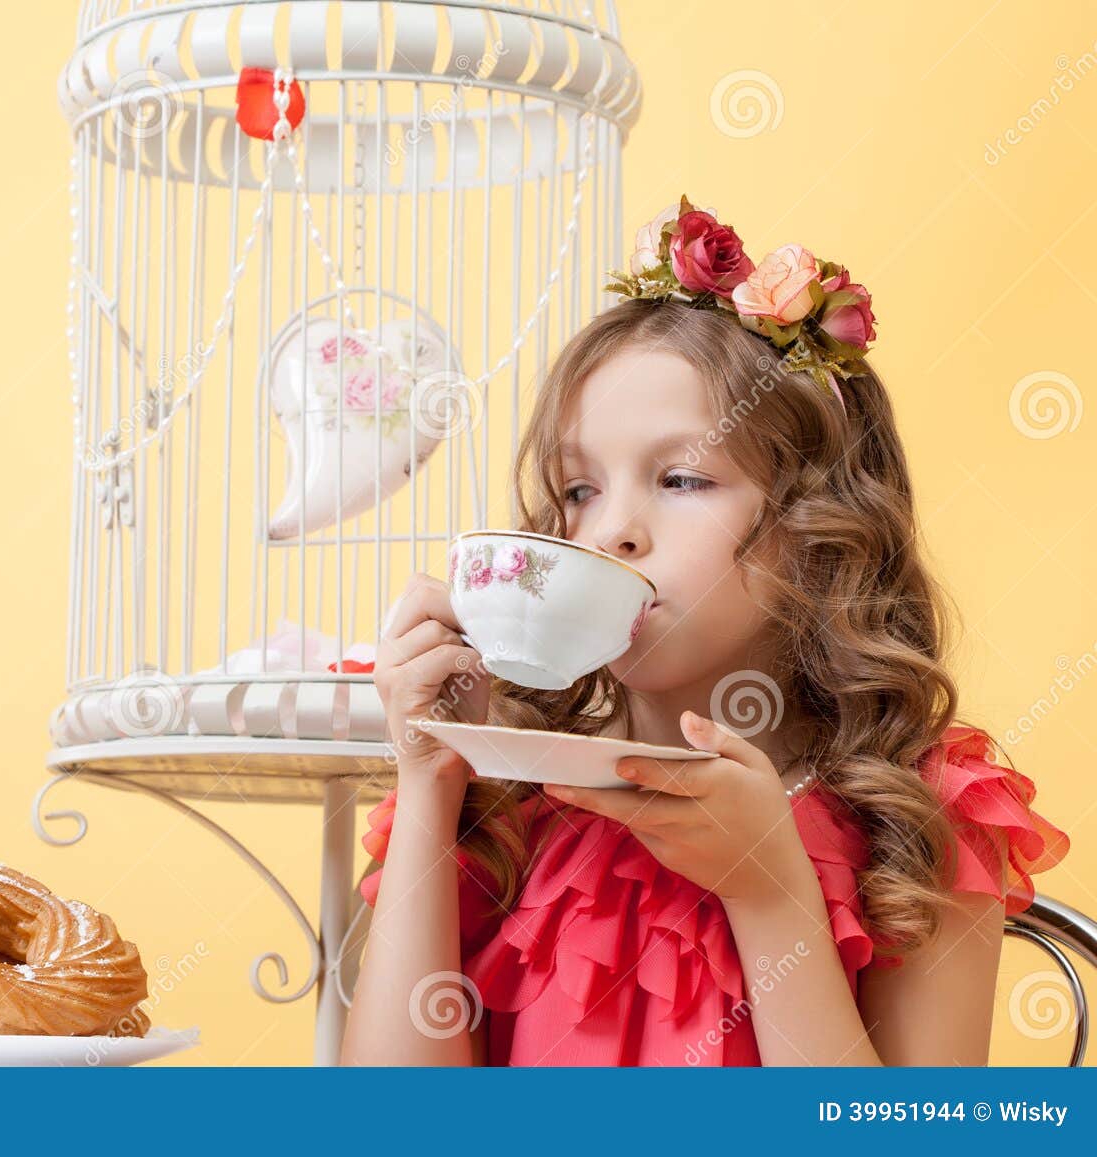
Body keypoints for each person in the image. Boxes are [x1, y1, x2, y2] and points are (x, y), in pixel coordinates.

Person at [340, 197, 1071, 1067]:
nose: (612, 530)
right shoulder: (505, 803)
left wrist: (769, 894)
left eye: (680, 479)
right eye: (580, 490)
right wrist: (430, 780)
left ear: (816, 523)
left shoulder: (919, 820)